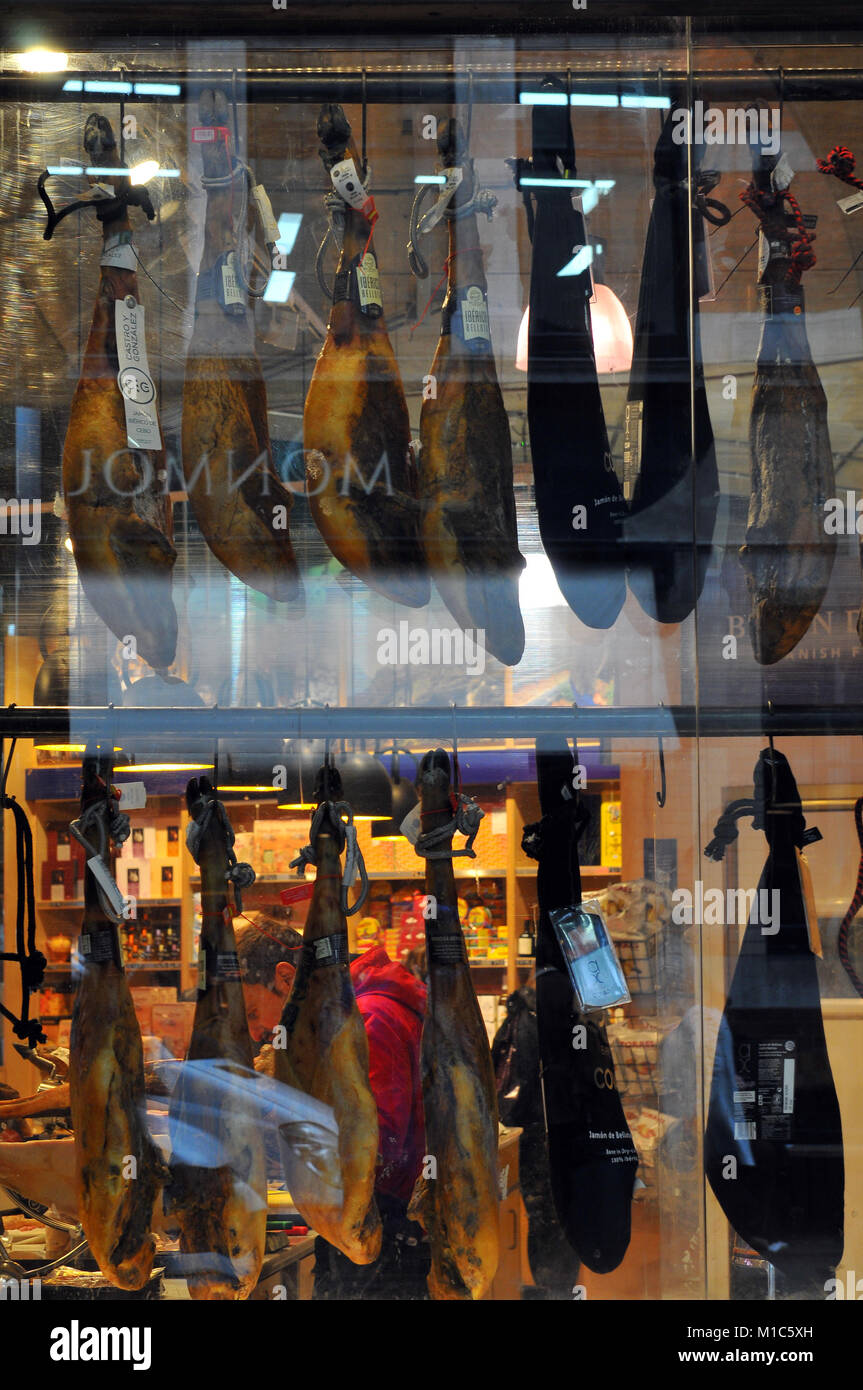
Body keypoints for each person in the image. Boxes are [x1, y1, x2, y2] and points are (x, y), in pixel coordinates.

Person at [235, 911, 430, 1299]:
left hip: (379, 1239)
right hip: (370, 1236)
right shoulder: (350, 1018)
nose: (257, 1032)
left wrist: (280, 1104)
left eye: (254, 1013)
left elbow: (375, 1150)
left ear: (287, 978)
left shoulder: (367, 1021)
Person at [492, 976, 582, 1299]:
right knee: (554, 1227)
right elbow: (516, 1091)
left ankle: (555, 1290)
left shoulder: (535, 1019)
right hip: (544, 1145)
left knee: (550, 1224)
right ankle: (555, 1290)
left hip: (542, 1144)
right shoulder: (535, 1022)